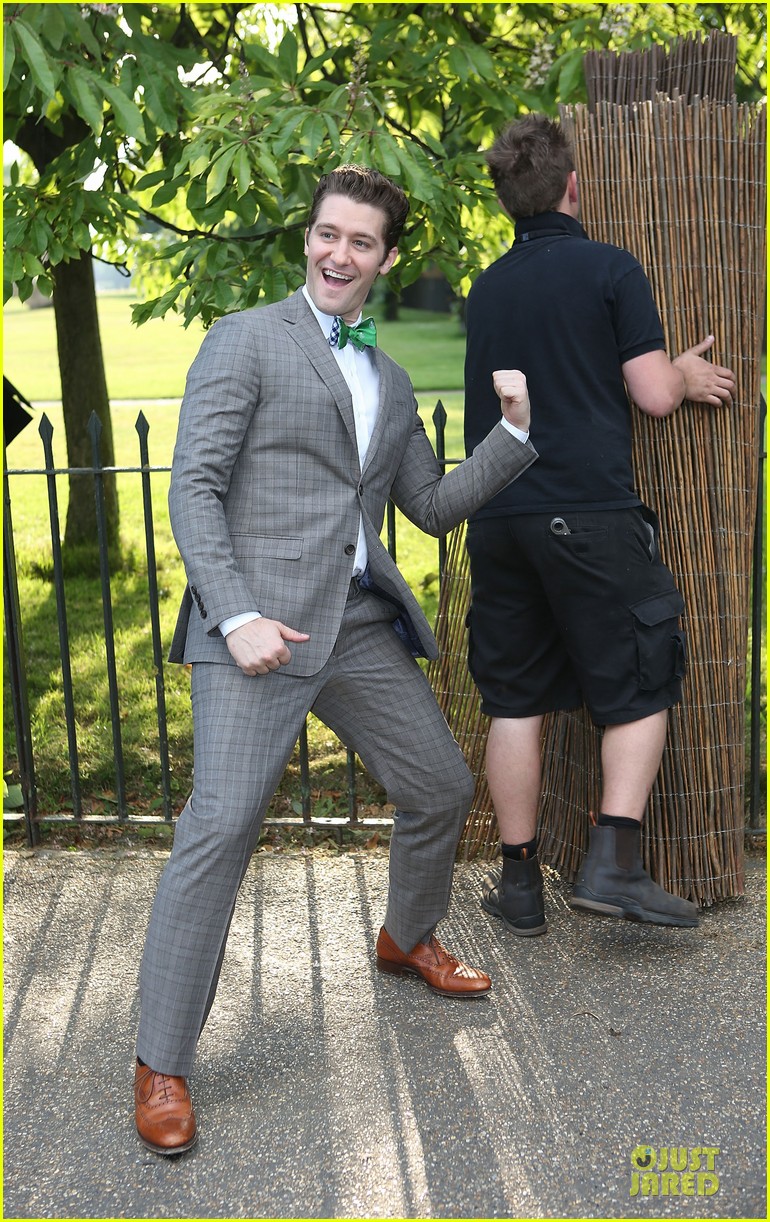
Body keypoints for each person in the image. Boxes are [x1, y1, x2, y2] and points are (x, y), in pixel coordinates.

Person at [134, 164, 538, 1155]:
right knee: (221, 827)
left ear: (385, 258)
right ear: (306, 238)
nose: (336, 253)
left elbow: (429, 508)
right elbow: (195, 490)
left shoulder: (387, 377)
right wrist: (233, 618)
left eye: (359, 241)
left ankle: (403, 937)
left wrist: (514, 434)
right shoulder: (244, 340)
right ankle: (160, 1063)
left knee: (440, 784)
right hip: (257, 632)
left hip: (354, 626)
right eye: (325, 233)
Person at [463, 115, 736, 939]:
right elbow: (651, 392)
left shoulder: (486, 288)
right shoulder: (610, 267)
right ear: (574, 187)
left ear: (507, 200)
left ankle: (518, 886)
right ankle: (614, 864)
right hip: (586, 511)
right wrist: (686, 372)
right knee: (642, 675)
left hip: (499, 516)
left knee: (514, 698)